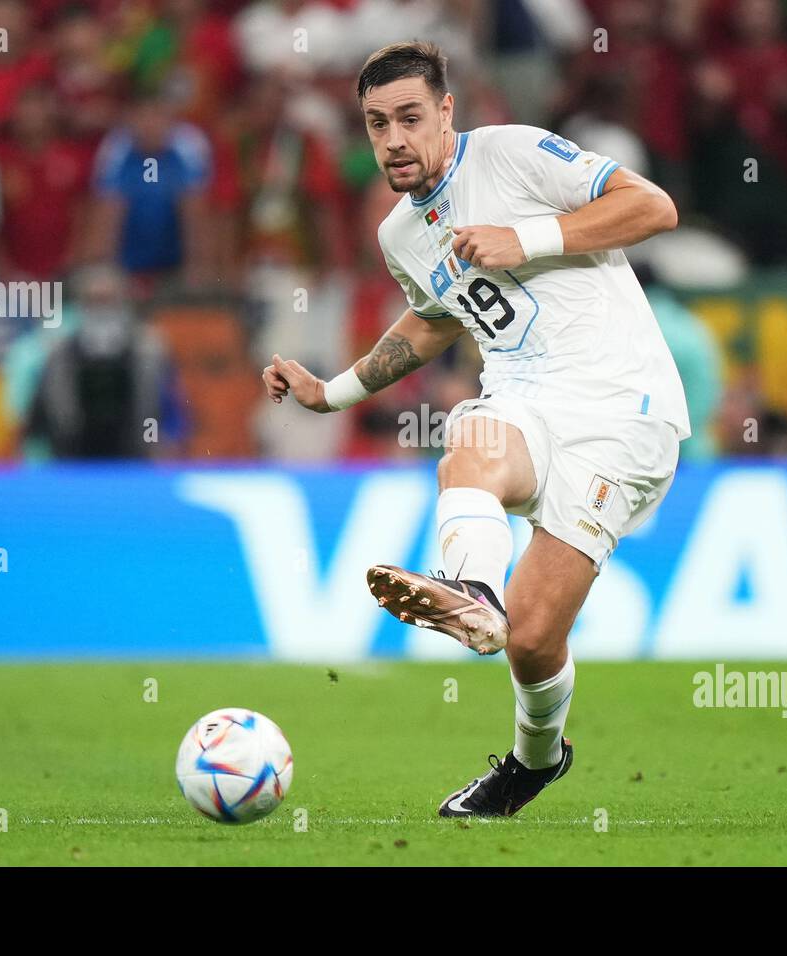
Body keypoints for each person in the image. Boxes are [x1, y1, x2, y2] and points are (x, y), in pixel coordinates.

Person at [261, 41, 690, 818]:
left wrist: (524, 239)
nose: (393, 139)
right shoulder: (400, 234)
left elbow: (653, 208)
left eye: (410, 118)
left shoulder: (515, 154)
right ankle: (473, 591)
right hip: (523, 399)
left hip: (623, 410)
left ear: (447, 112)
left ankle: (533, 761)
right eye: (376, 123)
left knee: (532, 642)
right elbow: (432, 323)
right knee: (469, 448)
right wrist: (331, 393)